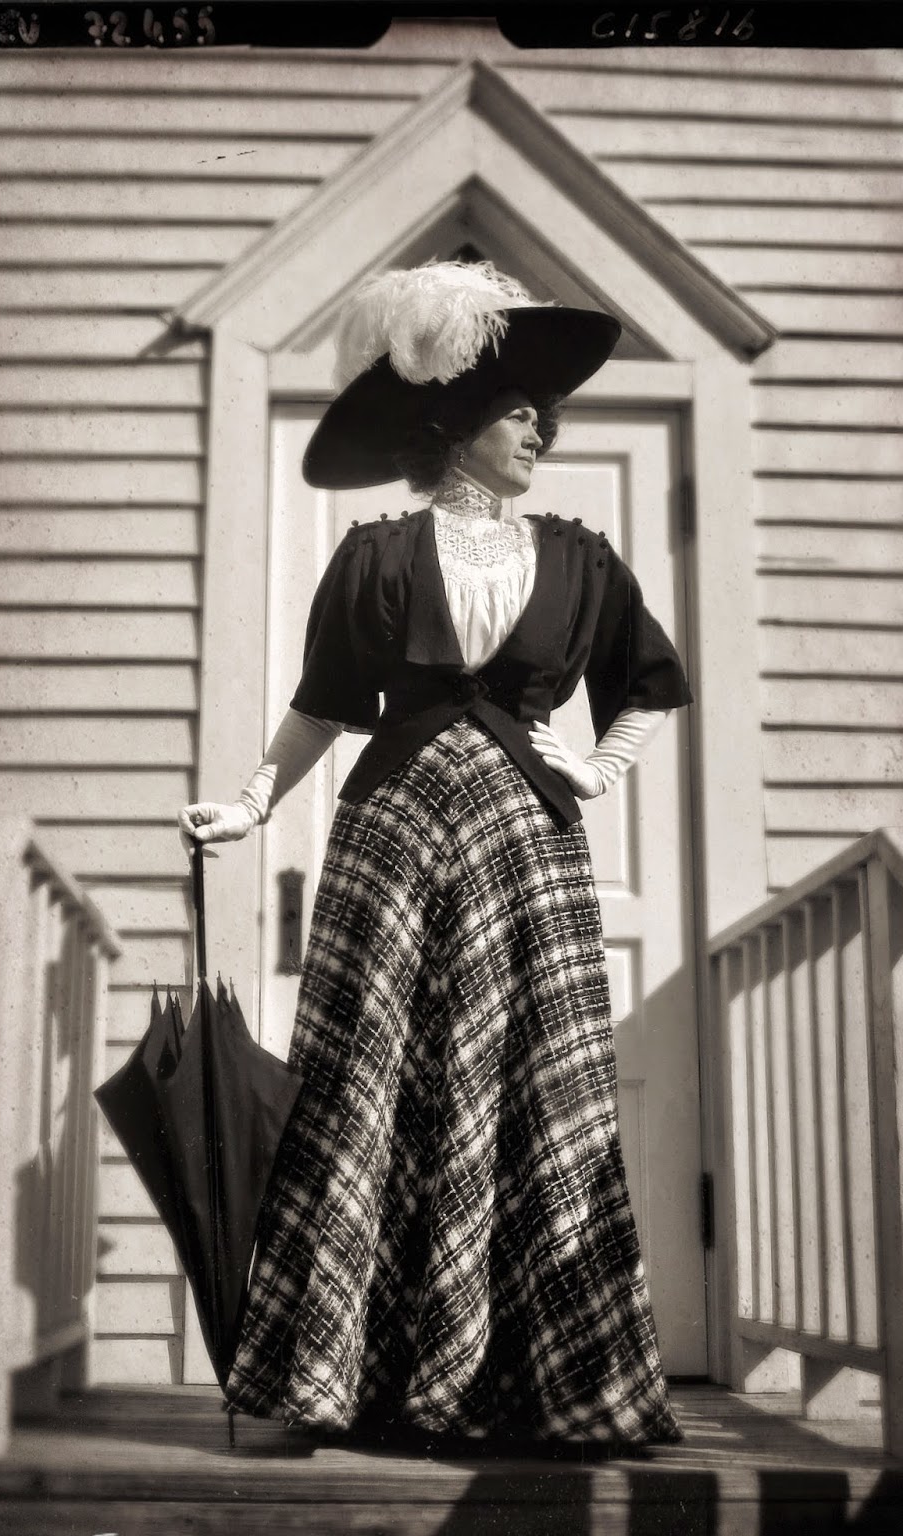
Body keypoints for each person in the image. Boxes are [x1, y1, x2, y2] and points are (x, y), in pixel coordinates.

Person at [180, 260, 691, 1447]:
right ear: (457, 424)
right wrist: (254, 806)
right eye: (520, 413)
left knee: (530, 1098)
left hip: (525, 848)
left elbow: (649, 687)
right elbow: (319, 705)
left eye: (545, 417)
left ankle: (541, 1390)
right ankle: (338, 1384)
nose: (542, 432)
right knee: (370, 1091)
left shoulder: (578, 557)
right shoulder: (373, 553)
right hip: (389, 841)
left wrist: (599, 767)